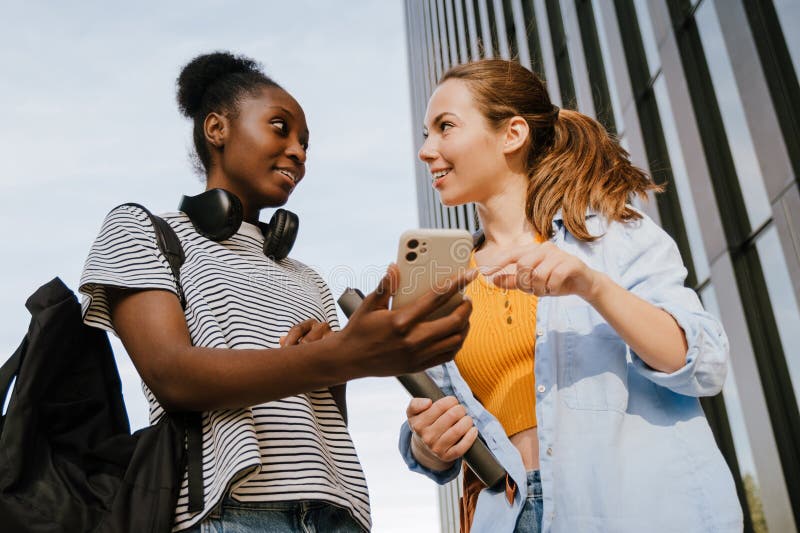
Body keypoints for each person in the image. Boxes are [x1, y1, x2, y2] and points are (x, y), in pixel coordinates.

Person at [78, 51, 475, 533]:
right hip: (232, 512)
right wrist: (344, 356)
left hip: (339, 513)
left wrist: (338, 363)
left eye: (306, 143)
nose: (299, 152)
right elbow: (172, 376)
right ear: (217, 129)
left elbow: (326, 419)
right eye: (280, 128)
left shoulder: (307, 276)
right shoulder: (143, 230)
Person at [398, 59, 742, 532]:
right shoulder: (443, 281)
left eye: (445, 128)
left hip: (634, 509)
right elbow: (437, 430)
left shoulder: (612, 238)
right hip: (510, 515)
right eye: (425, 133)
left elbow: (703, 364)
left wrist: (592, 286)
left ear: (512, 134)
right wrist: (426, 444)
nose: (425, 150)